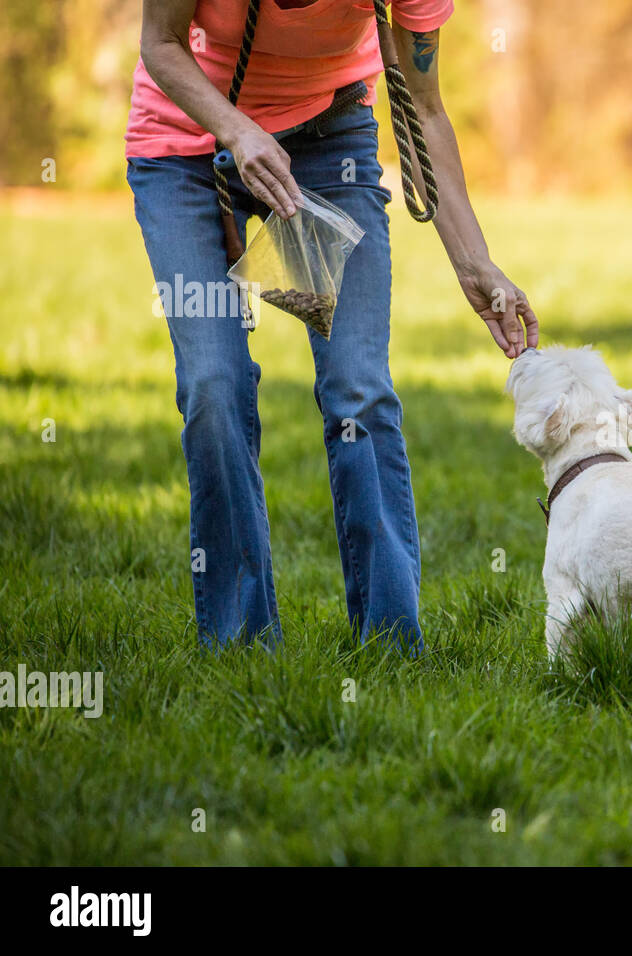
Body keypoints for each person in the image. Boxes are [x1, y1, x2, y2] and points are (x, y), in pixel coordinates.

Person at [127, 0, 538, 651]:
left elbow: (424, 109)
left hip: (327, 144)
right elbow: (160, 43)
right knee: (214, 384)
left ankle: (392, 644)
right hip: (188, 149)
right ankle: (241, 645)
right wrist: (237, 132)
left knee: (359, 385)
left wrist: (475, 264)